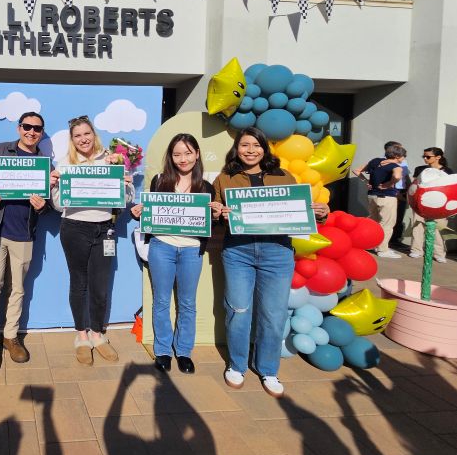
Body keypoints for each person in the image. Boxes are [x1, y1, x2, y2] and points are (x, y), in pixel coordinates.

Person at [213, 127, 329, 398]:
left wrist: (321, 212)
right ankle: (237, 365)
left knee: (274, 314)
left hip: (277, 252)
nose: (250, 150)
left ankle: (267, 369)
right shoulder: (225, 178)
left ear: (265, 149)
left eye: (256, 145)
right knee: (238, 311)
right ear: (236, 149)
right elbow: (216, 214)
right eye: (245, 145)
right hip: (238, 251)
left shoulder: (284, 176)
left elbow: (301, 210)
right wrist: (218, 213)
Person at [130, 134, 221, 374]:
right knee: (161, 301)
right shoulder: (160, 181)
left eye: (188, 153)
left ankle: (183, 352)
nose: (183, 159)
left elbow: (210, 223)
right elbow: (149, 214)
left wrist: (215, 215)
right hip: (162, 246)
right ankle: (162, 351)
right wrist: (138, 212)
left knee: (188, 303)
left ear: (197, 154)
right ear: (170, 157)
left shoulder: (206, 187)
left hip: (192, 250)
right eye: (177, 154)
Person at [50, 116, 134, 366]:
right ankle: (82, 336)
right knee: (79, 283)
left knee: (100, 285)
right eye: (77, 135)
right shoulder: (65, 164)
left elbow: (125, 199)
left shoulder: (112, 159)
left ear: (93, 134)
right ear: (72, 139)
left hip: (105, 228)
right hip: (74, 228)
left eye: (87, 133)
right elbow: (58, 205)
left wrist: (125, 184)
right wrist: (54, 186)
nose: (83, 139)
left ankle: (97, 334)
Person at [0, 112, 53, 373]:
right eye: (27, 126)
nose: (32, 132)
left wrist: (42, 207)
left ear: (41, 132)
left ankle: (10, 336)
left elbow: (50, 202)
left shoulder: (44, 163)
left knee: (17, 288)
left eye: (37, 128)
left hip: (24, 233)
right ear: (19, 128)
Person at [353, 143, 407, 258]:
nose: (404, 159)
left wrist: (366, 181)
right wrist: (389, 184)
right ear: (397, 156)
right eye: (403, 156)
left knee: (373, 222)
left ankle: (370, 244)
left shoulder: (375, 161)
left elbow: (356, 170)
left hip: (372, 196)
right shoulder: (396, 167)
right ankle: (382, 249)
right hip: (387, 197)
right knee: (387, 224)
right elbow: (397, 176)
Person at [409, 147, 453, 262]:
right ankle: (416, 250)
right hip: (420, 203)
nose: (425, 158)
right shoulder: (420, 169)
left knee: (437, 228)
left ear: (438, 157)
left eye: (428, 157)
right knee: (418, 226)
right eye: (423, 156)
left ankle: (439, 253)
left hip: (438, 205)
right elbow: (414, 185)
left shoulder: (448, 171)